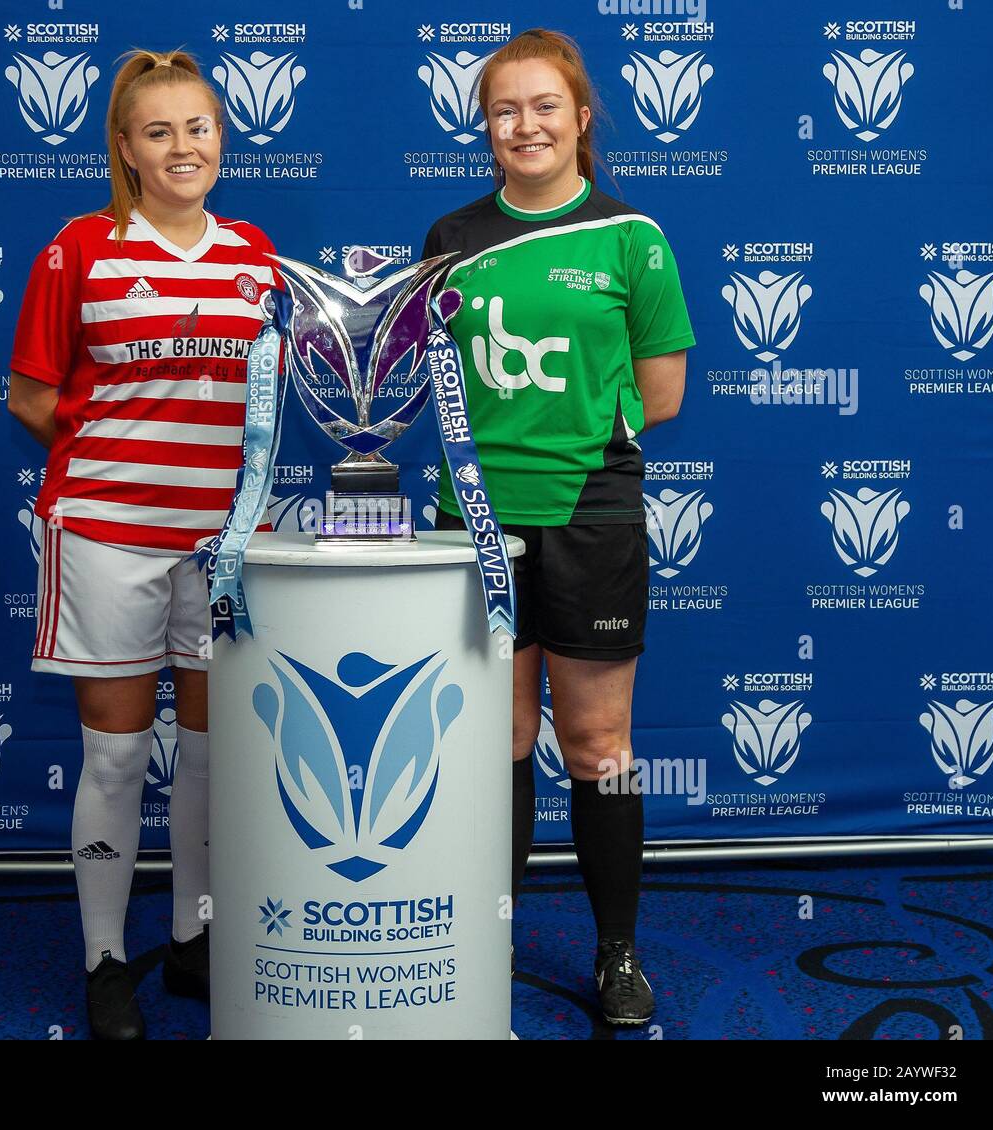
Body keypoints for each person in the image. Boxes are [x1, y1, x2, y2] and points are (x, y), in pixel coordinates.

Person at [422, 28, 695, 1026]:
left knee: (598, 741)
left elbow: (659, 393)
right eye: (504, 109)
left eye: (544, 106)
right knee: (495, 739)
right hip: (475, 521)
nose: (524, 125)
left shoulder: (633, 237)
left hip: (591, 516)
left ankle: (615, 952)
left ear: (580, 118)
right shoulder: (449, 237)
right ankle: (483, 937)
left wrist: (567, 426)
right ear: (484, 126)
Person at [7, 49, 279, 1040]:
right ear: (123, 146)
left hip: (222, 543)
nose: (182, 147)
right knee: (117, 760)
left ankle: (194, 936)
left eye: (197, 126)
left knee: (210, 756)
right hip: (107, 538)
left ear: (220, 135)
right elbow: (33, 394)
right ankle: (106, 957)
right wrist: (118, 468)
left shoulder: (254, 252)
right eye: (157, 131)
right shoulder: (78, 248)